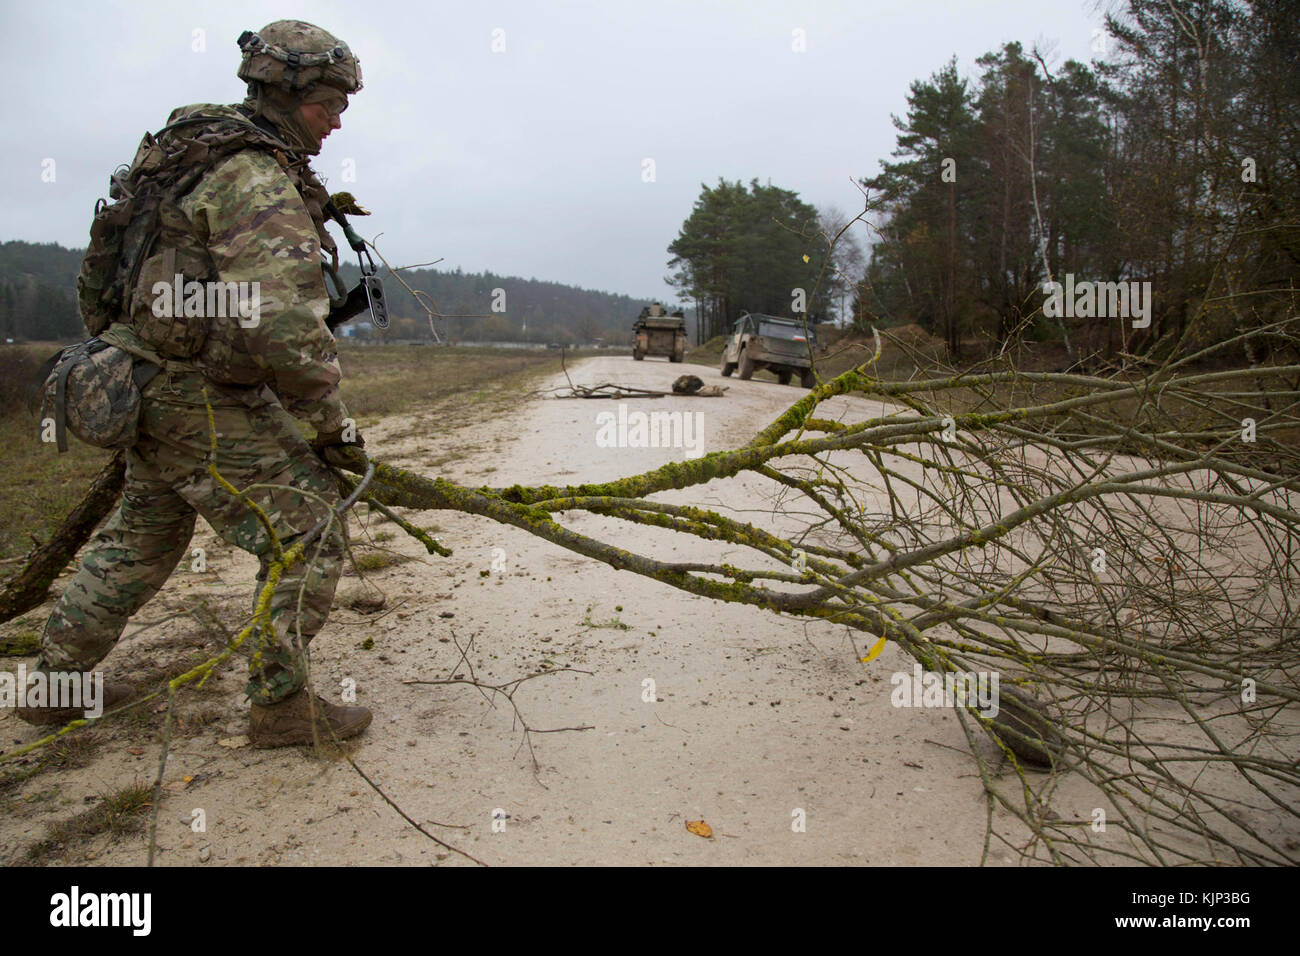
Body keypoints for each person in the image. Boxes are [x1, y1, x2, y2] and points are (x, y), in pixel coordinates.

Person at [16, 20, 372, 747]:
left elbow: (100, 280)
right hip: (194, 394)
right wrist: (332, 427)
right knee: (311, 524)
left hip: (144, 378)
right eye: (328, 102)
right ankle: (280, 706)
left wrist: (138, 351)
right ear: (285, 88)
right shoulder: (250, 174)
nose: (338, 120)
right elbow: (281, 322)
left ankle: (55, 688)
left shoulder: (180, 155)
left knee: (142, 535)